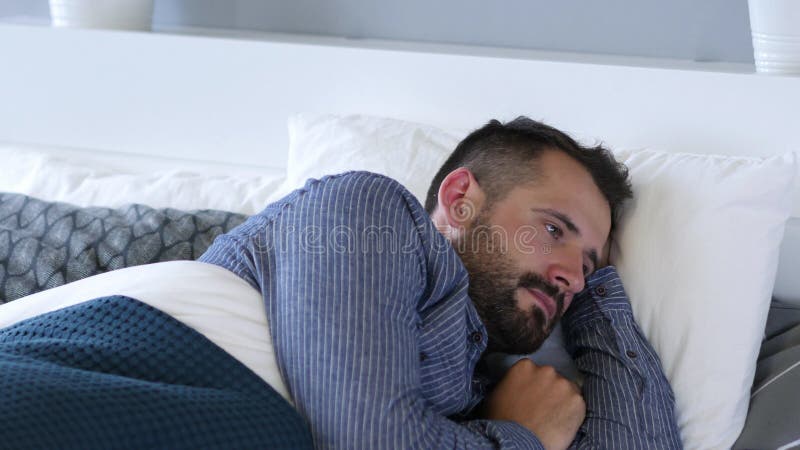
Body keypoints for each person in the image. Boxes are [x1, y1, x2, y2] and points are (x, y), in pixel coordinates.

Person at [199, 117, 682, 449]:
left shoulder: (477, 396)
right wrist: (520, 433)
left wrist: (595, 298)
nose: (572, 278)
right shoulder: (367, 211)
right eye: (553, 229)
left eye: (588, 266)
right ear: (460, 199)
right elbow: (366, 440)